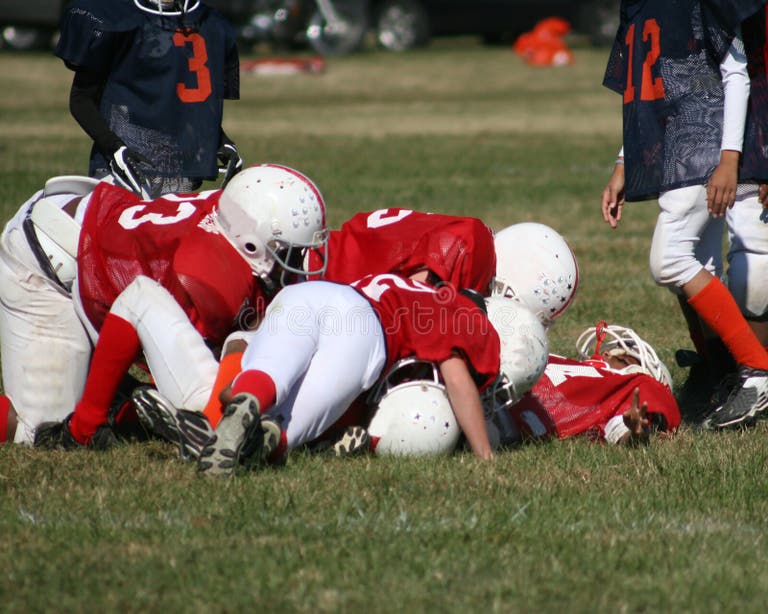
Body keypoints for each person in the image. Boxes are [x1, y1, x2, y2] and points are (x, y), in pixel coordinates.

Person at [0, 164, 326, 446]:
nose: (299, 261)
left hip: (86, 218)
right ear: (253, 244)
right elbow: (144, 310)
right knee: (38, 430)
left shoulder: (235, 218)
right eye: (288, 252)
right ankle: (108, 412)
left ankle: (122, 400)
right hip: (44, 263)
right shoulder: (211, 276)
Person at [600, 0, 768, 428]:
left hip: (703, 148)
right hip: (678, 152)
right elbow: (646, 94)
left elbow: (736, 74)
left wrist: (729, 158)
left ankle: (757, 370)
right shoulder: (637, 8)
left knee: (669, 259)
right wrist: (624, 162)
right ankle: (720, 376)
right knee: (703, 265)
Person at [196, 273, 501, 476]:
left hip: (310, 294)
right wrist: (485, 456)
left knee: (268, 374)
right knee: (286, 430)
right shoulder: (462, 314)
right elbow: (457, 377)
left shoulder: (404, 283)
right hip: (363, 328)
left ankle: (245, 399)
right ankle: (259, 441)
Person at [55, 0, 242, 198]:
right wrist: (114, 148)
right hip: (123, 170)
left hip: (177, 173)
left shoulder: (211, 24)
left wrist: (220, 141)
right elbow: (81, 99)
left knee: (167, 227)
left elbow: (184, 104)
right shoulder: (117, 19)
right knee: (123, 227)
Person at [487, 322, 681, 447]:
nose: (609, 352)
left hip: (501, 414)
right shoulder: (571, 365)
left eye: (626, 358)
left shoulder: (627, 389)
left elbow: (621, 433)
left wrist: (637, 433)